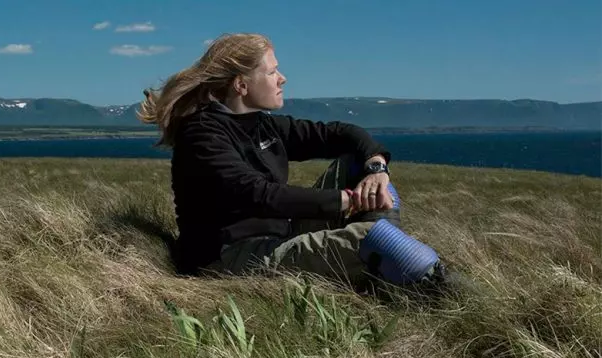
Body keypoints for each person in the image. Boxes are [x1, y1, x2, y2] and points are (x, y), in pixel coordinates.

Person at [137, 33, 451, 292]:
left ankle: (383, 270)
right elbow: (256, 194)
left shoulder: (264, 125)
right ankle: (400, 269)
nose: (282, 78)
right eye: (272, 72)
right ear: (241, 85)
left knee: (358, 167)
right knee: (388, 246)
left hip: (278, 237)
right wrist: (344, 202)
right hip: (228, 258)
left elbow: (343, 133)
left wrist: (376, 167)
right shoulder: (202, 133)